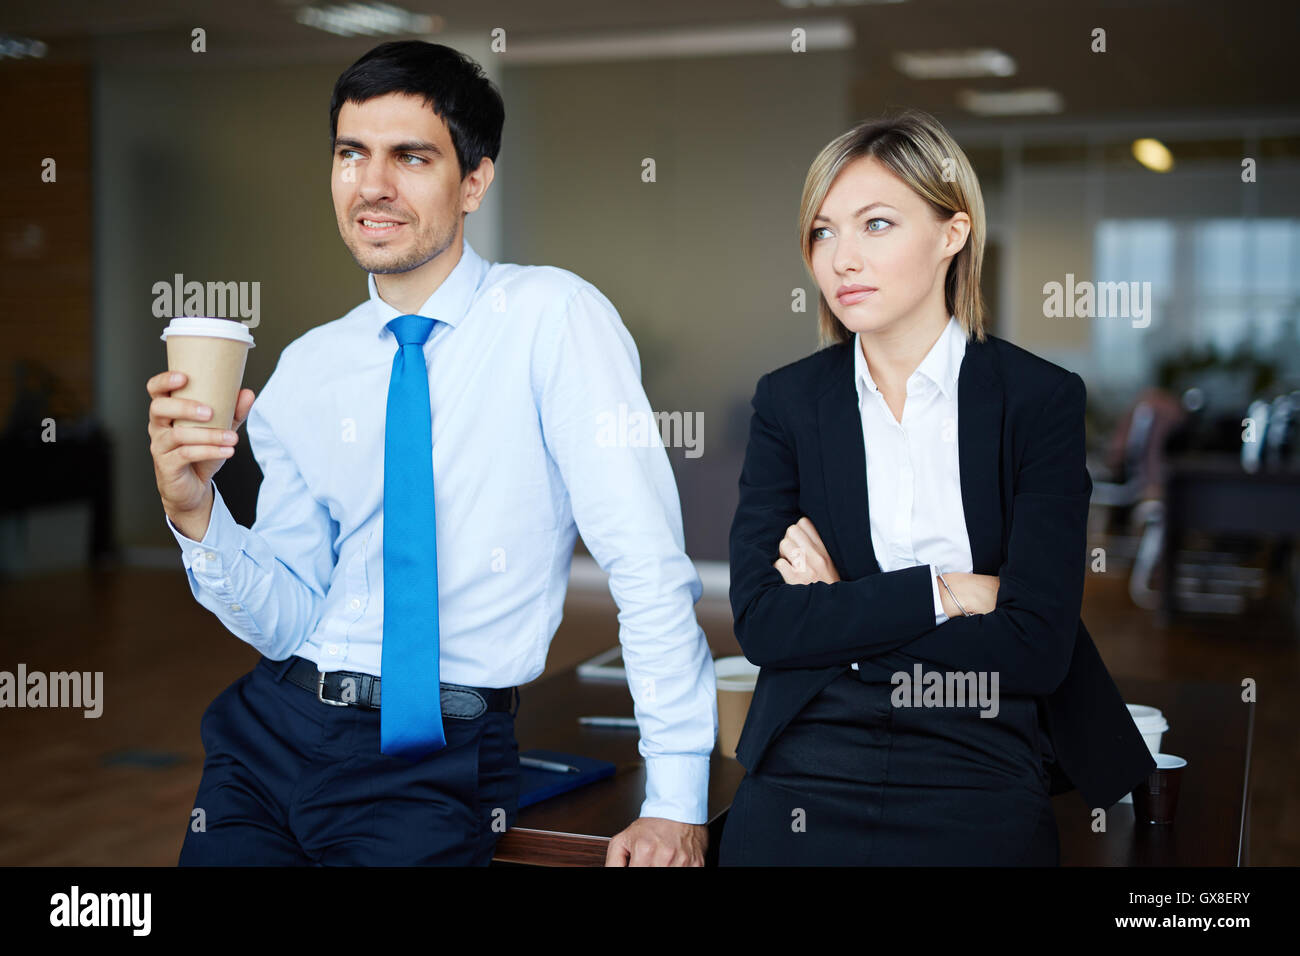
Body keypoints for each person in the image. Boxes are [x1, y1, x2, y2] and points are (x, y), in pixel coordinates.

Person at [147, 40, 715, 866]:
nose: (372, 185)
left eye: (411, 156)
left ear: (475, 180)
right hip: (269, 740)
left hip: (429, 758)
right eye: (352, 154)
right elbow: (291, 619)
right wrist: (194, 513)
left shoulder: (552, 318)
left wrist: (675, 797)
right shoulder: (309, 366)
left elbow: (645, 563)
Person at [719, 108, 1155, 865]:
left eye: (876, 224)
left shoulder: (1038, 399)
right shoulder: (788, 402)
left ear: (953, 234)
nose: (841, 258)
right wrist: (948, 592)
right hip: (814, 744)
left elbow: (1034, 649)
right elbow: (762, 624)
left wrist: (840, 610)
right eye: (823, 232)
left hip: (978, 742)